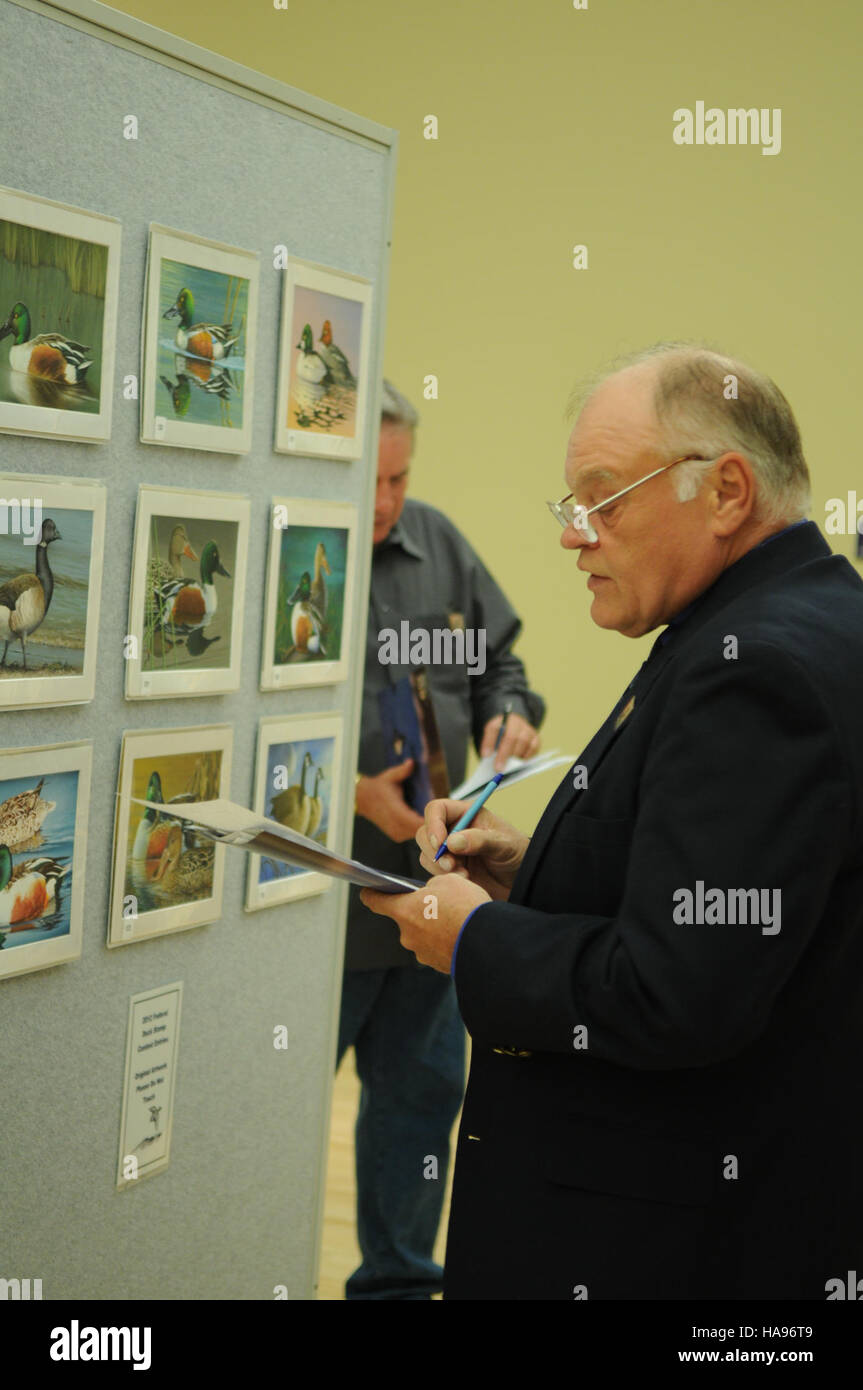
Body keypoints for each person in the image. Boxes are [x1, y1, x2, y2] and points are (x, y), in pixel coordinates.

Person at [361, 343, 863, 1300]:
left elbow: (677, 995)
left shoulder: (750, 670)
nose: (573, 535)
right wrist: (533, 877)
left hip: (664, 1239)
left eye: (602, 498)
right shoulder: (806, 620)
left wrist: (479, 940)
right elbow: (728, 913)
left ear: (723, 492)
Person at [337, 380, 545, 1300]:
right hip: (316, 902)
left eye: (398, 478)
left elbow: (502, 659)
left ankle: (396, 1289)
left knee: (420, 1108)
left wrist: (508, 715)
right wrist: (350, 796)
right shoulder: (296, 550)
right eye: (368, 481)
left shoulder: (438, 541)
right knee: (265, 1108)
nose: (386, 503)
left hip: (433, 895)